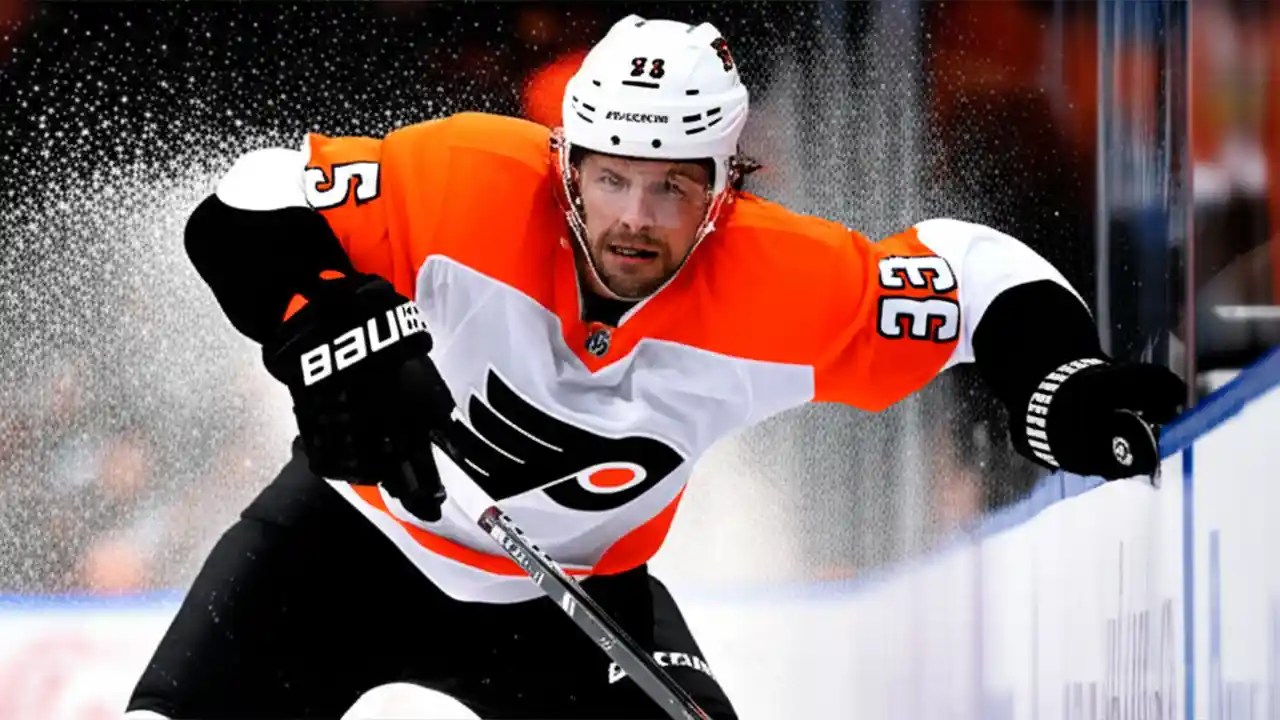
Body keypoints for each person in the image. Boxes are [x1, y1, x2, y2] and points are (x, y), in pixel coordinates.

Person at [125, 15, 1184, 720]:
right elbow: (249, 200)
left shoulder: (780, 281)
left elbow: (969, 271)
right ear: (565, 166)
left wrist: (1058, 381)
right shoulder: (464, 181)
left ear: (723, 191)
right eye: (611, 178)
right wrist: (326, 322)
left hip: (571, 602)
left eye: (673, 187)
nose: (634, 218)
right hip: (337, 549)